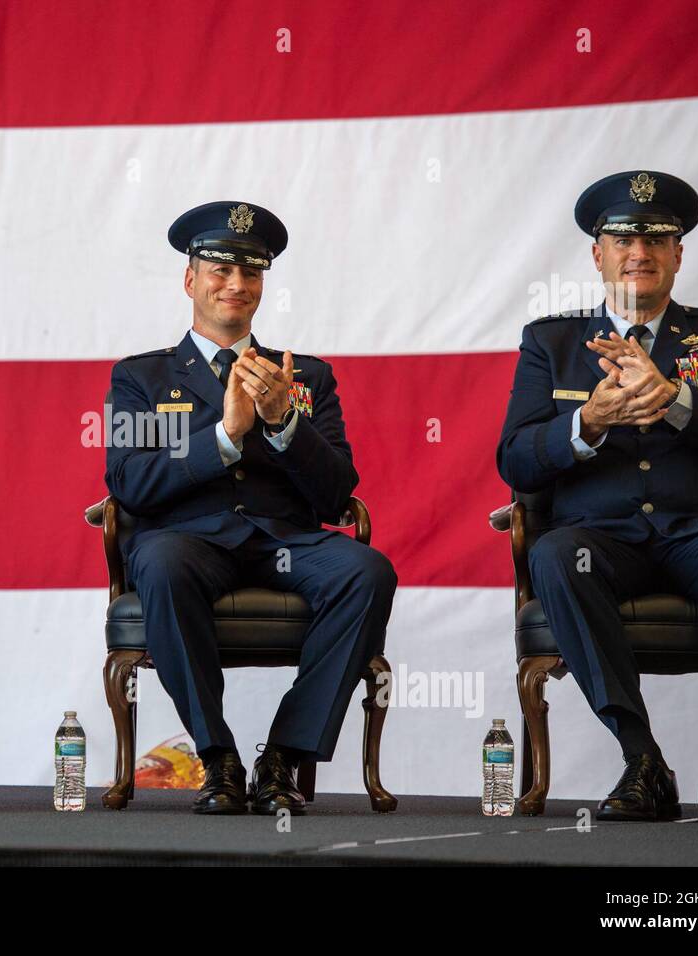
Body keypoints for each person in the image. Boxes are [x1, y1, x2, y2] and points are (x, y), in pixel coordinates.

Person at [497, 170, 698, 825]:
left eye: (658, 238)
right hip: (602, 537)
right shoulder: (553, 342)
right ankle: (641, 760)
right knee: (557, 555)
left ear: (678, 255)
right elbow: (515, 458)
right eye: (622, 238)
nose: (640, 251)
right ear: (597, 254)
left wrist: (678, 399)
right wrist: (588, 423)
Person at [104, 201, 398, 815]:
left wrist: (284, 423)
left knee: (367, 571)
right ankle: (218, 760)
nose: (236, 284)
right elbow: (130, 483)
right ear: (190, 280)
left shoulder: (305, 376)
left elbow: (336, 493)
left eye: (252, 273)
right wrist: (224, 438)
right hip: (189, 542)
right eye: (220, 269)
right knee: (158, 564)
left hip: (283, 543)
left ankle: (285, 757)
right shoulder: (142, 378)